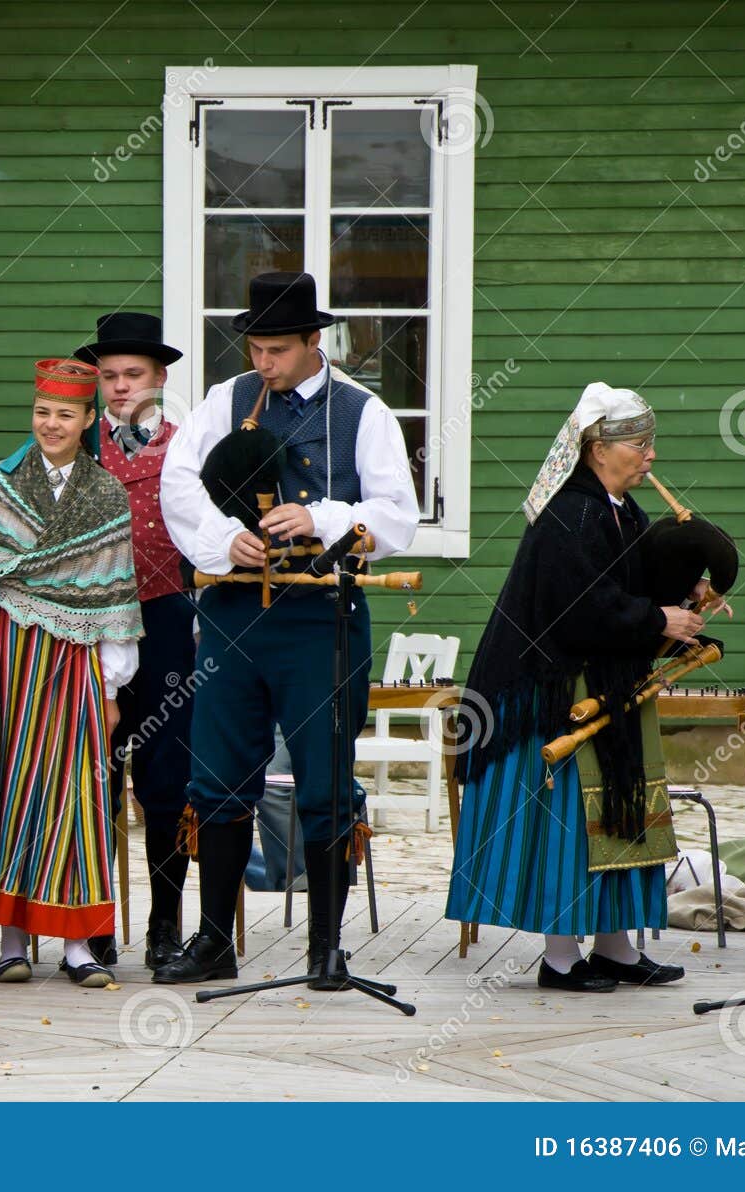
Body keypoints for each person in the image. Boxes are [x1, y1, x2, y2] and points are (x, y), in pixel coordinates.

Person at [156, 272, 418, 986]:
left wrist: (323, 518)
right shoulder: (227, 400)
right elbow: (177, 482)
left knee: (323, 783)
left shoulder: (364, 413)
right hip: (235, 612)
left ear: (315, 342)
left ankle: (326, 948)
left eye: (276, 349)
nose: (262, 363)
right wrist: (220, 541)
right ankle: (213, 941)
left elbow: (398, 512)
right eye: (256, 348)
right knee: (216, 776)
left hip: (320, 617)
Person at [446, 384, 698, 991]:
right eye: (640, 444)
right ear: (597, 447)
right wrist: (657, 619)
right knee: (567, 824)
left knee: (617, 811)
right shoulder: (572, 513)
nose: (650, 457)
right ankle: (560, 959)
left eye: (649, 444)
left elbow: (631, 585)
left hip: (607, 685)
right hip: (557, 693)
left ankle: (614, 947)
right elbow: (581, 609)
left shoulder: (617, 509)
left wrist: (685, 597)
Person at [0, 358, 141, 988]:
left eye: (65, 414)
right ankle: (12, 940)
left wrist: (112, 686)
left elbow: (115, 598)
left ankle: (79, 944)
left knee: (73, 794)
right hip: (2, 656)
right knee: (6, 785)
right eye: (42, 412)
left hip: (72, 662)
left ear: (90, 419)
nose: (51, 424)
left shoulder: (106, 494)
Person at [75, 312, 196, 971]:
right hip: (86, 626)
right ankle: (92, 923)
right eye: (110, 376)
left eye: (133, 375)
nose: (120, 387)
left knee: (164, 779)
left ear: (159, 379)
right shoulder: (75, 444)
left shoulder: (186, 445)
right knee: (93, 774)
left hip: (167, 621)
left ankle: (163, 923)